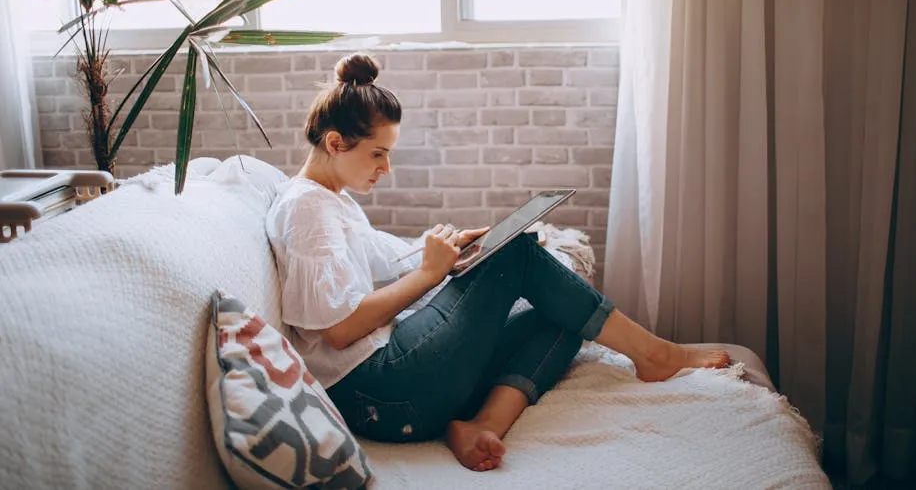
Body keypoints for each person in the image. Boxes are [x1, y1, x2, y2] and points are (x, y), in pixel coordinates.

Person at [265, 53, 730, 472]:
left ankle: (481, 425)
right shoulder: (306, 209)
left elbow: (389, 259)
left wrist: (454, 253)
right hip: (380, 392)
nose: (386, 169)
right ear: (335, 142)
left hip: (396, 383)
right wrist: (431, 272)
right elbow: (340, 328)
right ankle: (654, 355)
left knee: (565, 310)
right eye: (378, 154)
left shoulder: (332, 200)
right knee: (521, 257)